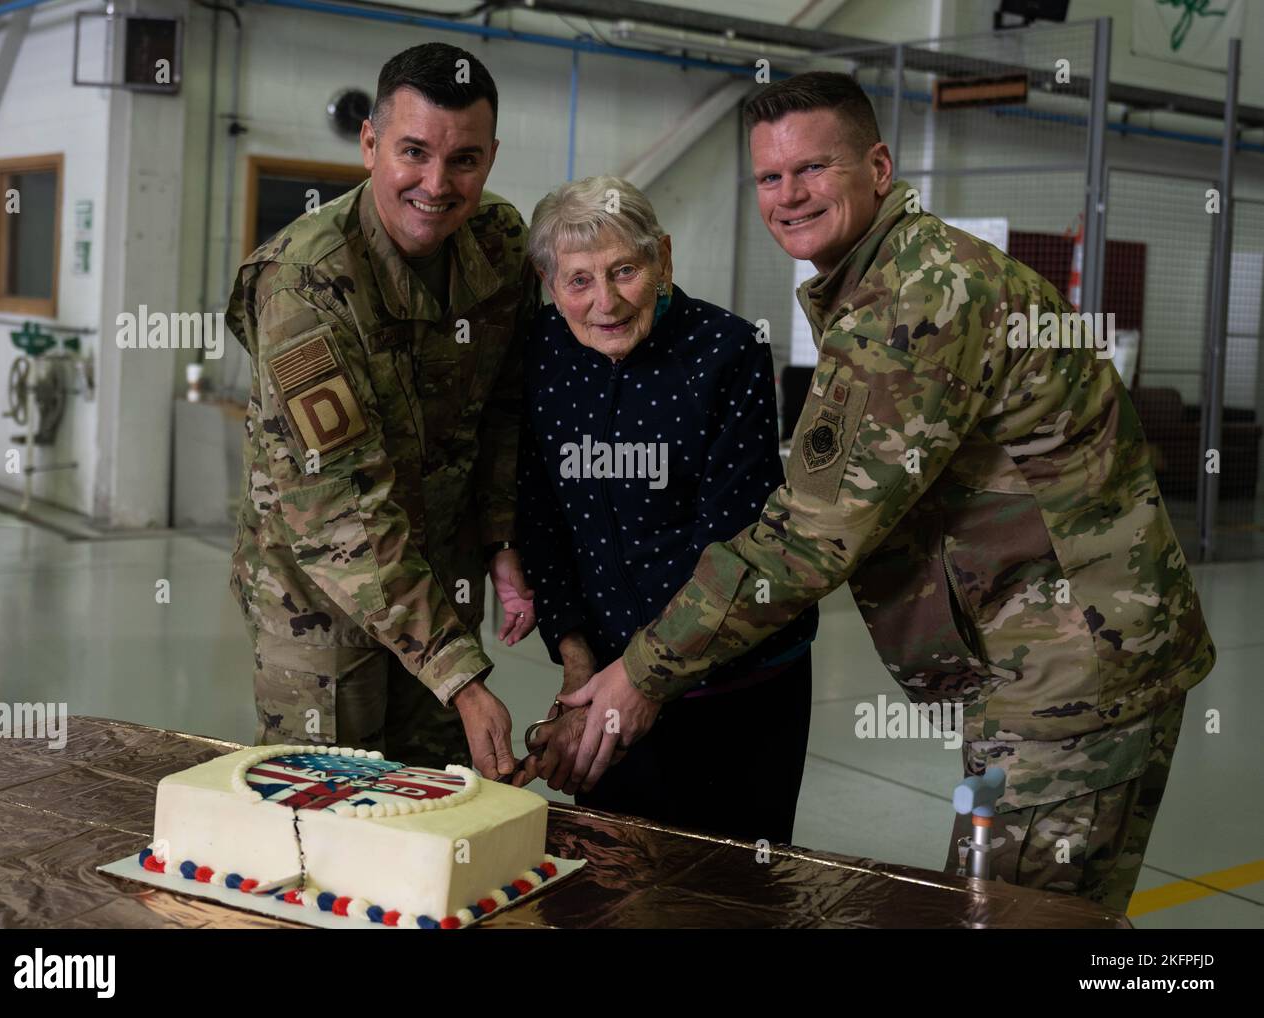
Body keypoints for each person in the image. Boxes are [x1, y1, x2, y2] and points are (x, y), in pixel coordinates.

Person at [558, 72, 1215, 911]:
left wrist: (642, 672)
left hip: (1071, 675)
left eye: (814, 169)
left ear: (877, 164)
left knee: (1014, 918)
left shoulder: (913, 301)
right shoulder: (891, 276)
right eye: (769, 176)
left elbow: (809, 537)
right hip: (1062, 660)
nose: (789, 195)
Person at [225, 42, 539, 779]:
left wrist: (500, 540)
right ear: (370, 144)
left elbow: (503, 406)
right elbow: (340, 508)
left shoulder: (499, 241)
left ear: (492, 157)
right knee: (326, 815)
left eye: (464, 159)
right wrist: (459, 674)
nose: (437, 184)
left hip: (440, 577)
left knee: (436, 804)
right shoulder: (303, 284)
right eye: (413, 152)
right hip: (321, 605)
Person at [512, 176, 818, 843]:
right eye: (579, 280)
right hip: (605, 684)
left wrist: (641, 682)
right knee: (610, 886)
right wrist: (578, 670)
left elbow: (730, 544)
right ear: (547, 280)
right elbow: (541, 520)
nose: (606, 302)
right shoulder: (541, 352)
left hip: (736, 692)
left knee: (724, 894)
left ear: (664, 260)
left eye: (626, 270)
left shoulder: (726, 353)